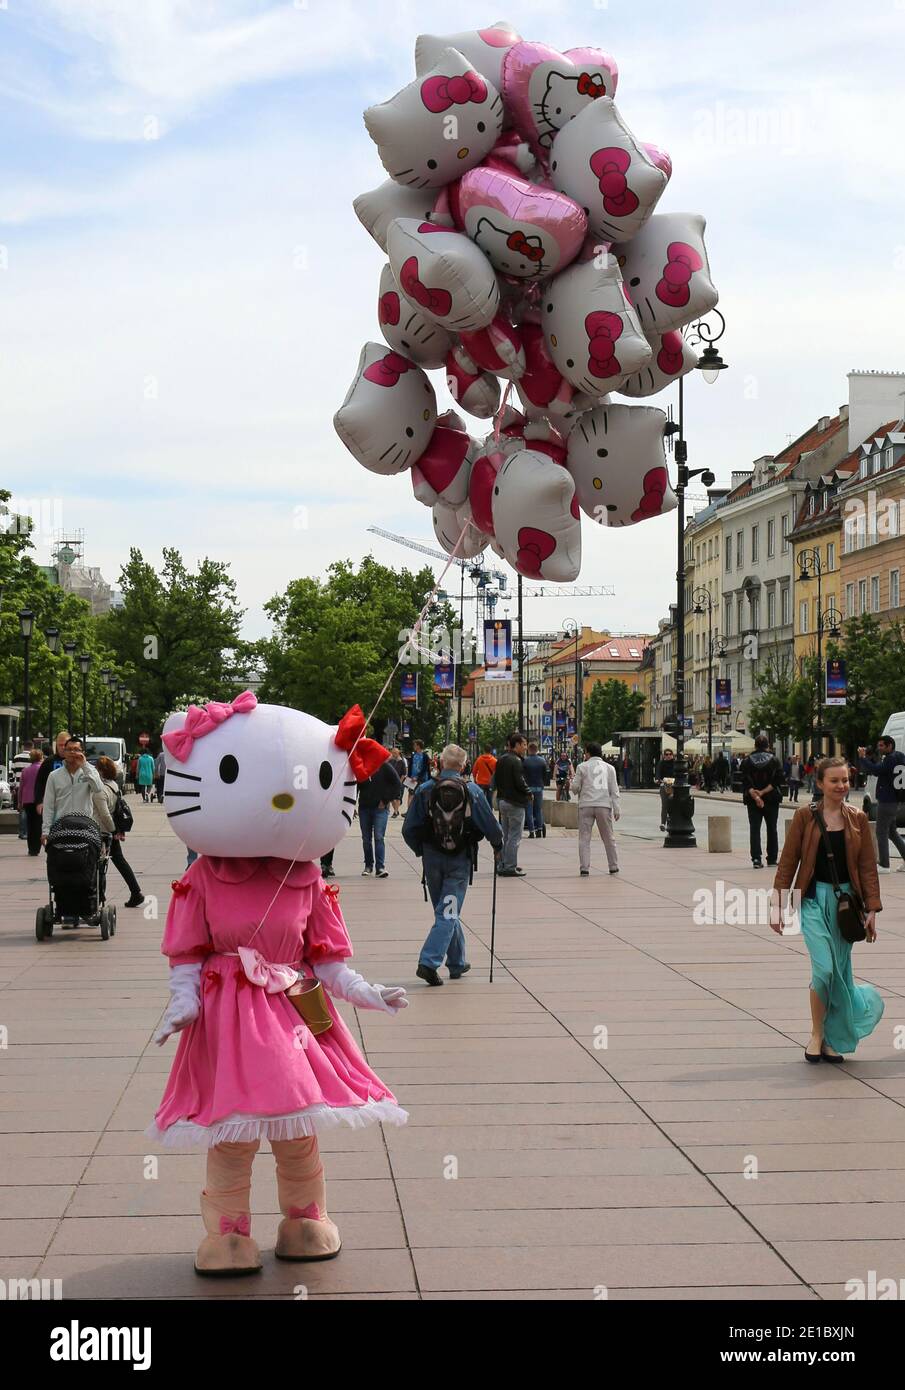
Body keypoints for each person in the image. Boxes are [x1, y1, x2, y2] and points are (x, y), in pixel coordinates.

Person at [148, 693, 407, 1275]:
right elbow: (186, 953)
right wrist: (183, 1000)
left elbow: (330, 962)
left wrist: (370, 992)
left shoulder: (308, 877)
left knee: (298, 1126)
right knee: (233, 1133)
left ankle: (305, 1218)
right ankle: (227, 1234)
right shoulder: (203, 877)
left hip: (294, 1010)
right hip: (226, 1017)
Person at [771, 757, 883, 1061]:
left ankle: (833, 1038)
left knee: (840, 974)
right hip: (812, 901)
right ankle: (816, 1033)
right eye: (834, 781)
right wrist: (779, 904)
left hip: (846, 906)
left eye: (845, 780)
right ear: (819, 783)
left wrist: (871, 909)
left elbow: (867, 867)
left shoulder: (857, 817)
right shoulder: (804, 817)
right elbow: (789, 861)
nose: (841, 786)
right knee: (824, 970)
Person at [402, 742, 502, 986]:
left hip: (432, 859)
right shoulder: (473, 791)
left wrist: (421, 850)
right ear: (464, 765)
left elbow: (408, 829)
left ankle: (457, 962)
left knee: (445, 911)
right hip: (460, 858)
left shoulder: (426, 789)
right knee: (448, 911)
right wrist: (498, 846)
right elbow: (490, 824)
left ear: (440, 763)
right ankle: (428, 961)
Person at [41, 737, 115, 843]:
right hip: (62, 827)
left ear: (82, 752)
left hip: (85, 826)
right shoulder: (54, 776)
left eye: (76, 749)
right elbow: (48, 805)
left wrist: (85, 766)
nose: (72, 752)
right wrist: (45, 831)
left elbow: (98, 788)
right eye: (69, 749)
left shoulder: (90, 771)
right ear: (64, 752)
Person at [96, 756, 144, 907]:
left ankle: (99, 896)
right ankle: (136, 891)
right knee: (119, 861)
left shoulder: (100, 790)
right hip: (111, 831)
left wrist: (112, 829)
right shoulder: (114, 785)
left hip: (102, 831)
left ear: (101, 771)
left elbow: (104, 814)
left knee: (98, 865)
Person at [858, 736, 905, 873]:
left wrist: (862, 758)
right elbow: (883, 769)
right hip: (897, 799)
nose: (879, 748)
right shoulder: (900, 756)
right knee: (892, 832)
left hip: (887, 800)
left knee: (881, 831)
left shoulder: (890, 759)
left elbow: (876, 771)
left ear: (890, 746)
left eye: (881, 746)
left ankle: (884, 865)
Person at [572, 742, 620, 876]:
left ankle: (584, 868)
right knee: (608, 837)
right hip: (603, 805)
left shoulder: (582, 767)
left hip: (586, 805)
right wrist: (616, 808)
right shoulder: (609, 768)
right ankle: (613, 866)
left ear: (587, 753)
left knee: (584, 838)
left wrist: (575, 786)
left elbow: (575, 788)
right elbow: (614, 790)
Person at [740, 734, 783, 868]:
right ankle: (772, 858)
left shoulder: (747, 761)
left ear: (755, 746)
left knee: (755, 829)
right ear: (767, 746)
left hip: (752, 800)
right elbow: (778, 781)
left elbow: (744, 780)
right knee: (772, 829)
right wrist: (763, 792)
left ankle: (756, 858)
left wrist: (756, 795)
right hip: (771, 799)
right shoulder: (774, 760)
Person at [357, 754, 402, 878]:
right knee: (366, 839)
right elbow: (356, 786)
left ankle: (380, 867)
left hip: (380, 808)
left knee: (378, 837)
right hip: (364, 807)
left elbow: (397, 784)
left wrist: (385, 800)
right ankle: (368, 865)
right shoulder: (362, 767)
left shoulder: (385, 767)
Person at [494, 731, 531, 877]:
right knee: (515, 836)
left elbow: (496, 780)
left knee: (506, 835)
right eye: (523, 745)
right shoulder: (516, 761)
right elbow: (520, 781)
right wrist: (529, 792)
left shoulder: (501, 759)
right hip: (515, 802)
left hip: (503, 801)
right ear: (516, 745)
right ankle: (510, 866)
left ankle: (503, 863)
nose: (525, 748)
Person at [18, 748, 45, 856]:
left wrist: (19, 801)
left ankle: (31, 848)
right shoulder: (42, 769)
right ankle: (36, 848)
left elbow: (21, 787)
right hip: (39, 800)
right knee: (38, 824)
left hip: (27, 800)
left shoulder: (25, 770)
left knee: (29, 824)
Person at [523, 740, 548, 838]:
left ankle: (531, 831)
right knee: (538, 809)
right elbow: (545, 775)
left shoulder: (525, 761)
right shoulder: (542, 761)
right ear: (537, 749)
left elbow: (522, 775)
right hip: (539, 787)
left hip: (528, 788)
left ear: (529, 750)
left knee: (528, 810)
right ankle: (539, 830)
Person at [471, 744, 497, 809]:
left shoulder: (479, 760)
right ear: (490, 751)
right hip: (490, 783)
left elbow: (474, 771)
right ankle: (489, 813)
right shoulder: (494, 760)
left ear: (484, 750)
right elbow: (496, 772)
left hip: (480, 782)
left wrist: (474, 779)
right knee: (489, 800)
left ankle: (481, 812)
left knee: (480, 799)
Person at [656, 748, 676, 831]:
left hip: (673, 786)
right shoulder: (661, 763)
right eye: (666, 754)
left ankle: (671, 822)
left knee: (672, 805)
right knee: (664, 805)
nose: (668, 756)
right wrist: (658, 779)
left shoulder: (675, 764)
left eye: (670, 754)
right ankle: (663, 823)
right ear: (664, 755)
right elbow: (658, 772)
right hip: (664, 785)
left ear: (672, 755)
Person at [407, 740, 430, 807]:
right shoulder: (413, 755)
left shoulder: (425, 756)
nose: (413, 746)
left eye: (415, 745)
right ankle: (409, 811)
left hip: (421, 779)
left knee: (421, 795)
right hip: (412, 779)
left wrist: (417, 777)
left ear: (418, 746)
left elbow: (425, 768)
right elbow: (410, 766)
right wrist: (409, 776)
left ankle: (420, 810)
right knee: (411, 794)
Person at [387, 748, 407, 817]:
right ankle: (396, 810)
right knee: (392, 798)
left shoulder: (401, 762)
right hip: (391, 782)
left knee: (398, 798)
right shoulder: (391, 761)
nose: (393, 754)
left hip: (399, 782)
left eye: (394, 753)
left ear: (398, 753)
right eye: (392, 753)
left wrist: (400, 782)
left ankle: (395, 812)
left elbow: (404, 774)